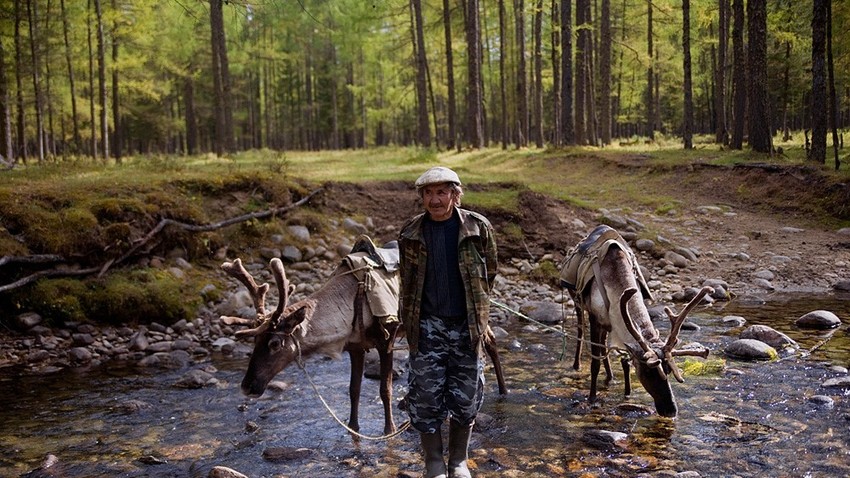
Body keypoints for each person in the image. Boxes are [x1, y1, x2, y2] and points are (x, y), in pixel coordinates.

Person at [398, 166, 498, 478]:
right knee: (425, 395)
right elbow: (406, 280)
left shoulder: (478, 228)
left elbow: (490, 272)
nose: (435, 199)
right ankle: (433, 462)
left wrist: (479, 312)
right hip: (427, 326)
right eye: (428, 193)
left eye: (441, 192)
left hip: (467, 326)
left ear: (455, 195)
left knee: (466, 395)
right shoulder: (410, 232)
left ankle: (458, 461)